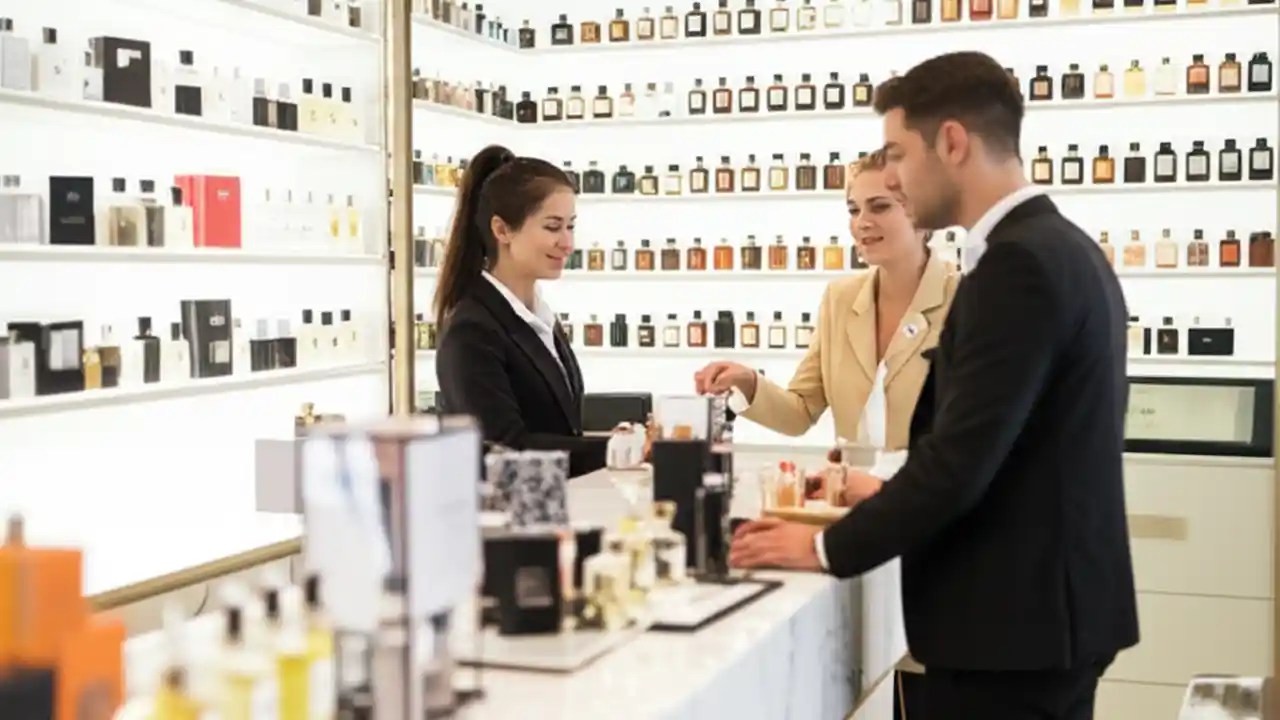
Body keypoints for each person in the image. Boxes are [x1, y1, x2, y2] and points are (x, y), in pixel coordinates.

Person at [729, 51, 1139, 720]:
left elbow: (958, 464)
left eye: (897, 153)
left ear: (951, 141)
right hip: (1043, 622)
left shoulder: (1017, 267)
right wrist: (881, 489)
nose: (890, 173)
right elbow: (1007, 449)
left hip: (1012, 632)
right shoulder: (1059, 248)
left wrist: (821, 546)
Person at [693, 149, 959, 451]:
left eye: (880, 207)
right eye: (853, 210)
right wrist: (747, 381)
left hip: (937, 494)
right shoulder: (841, 299)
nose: (862, 222)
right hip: (853, 494)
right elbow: (800, 412)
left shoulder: (966, 298)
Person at [434, 144, 606, 476]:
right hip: (508, 521)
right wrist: (612, 451)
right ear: (502, 230)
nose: (567, 243)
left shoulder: (539, 319)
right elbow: (505, 449)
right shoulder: (472, 331)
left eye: (571, 226)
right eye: (553, 227)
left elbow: (560, 431)